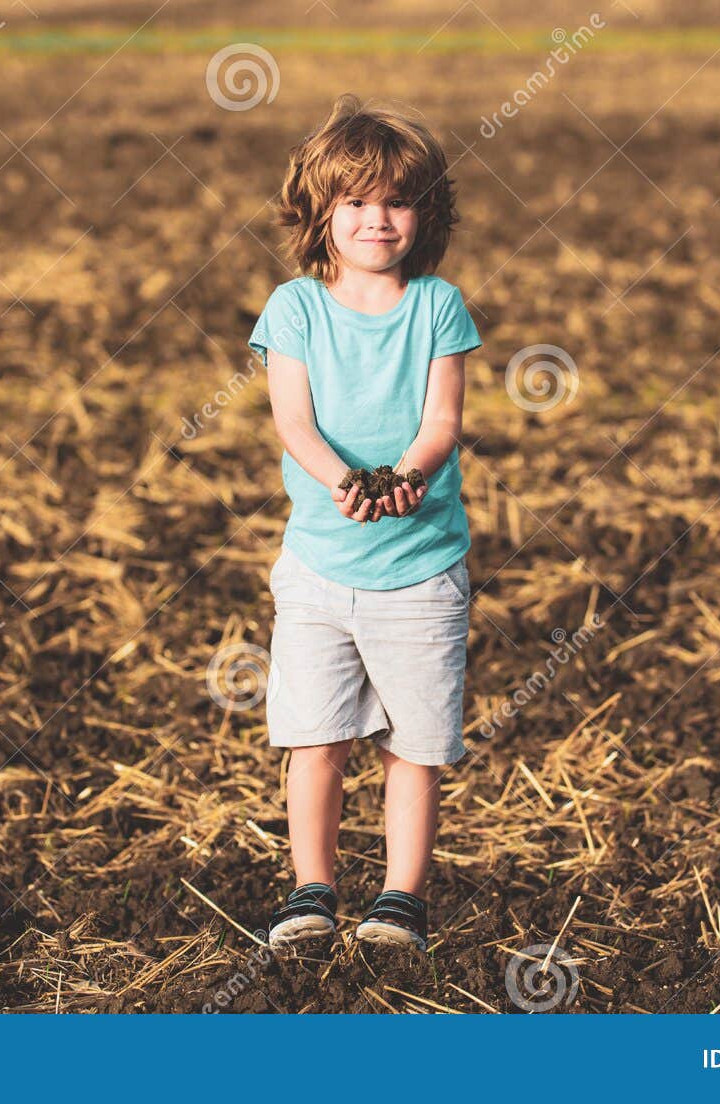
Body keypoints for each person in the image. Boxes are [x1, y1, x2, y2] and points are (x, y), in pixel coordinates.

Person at [246, 93, 483, 952]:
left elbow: (441, 423)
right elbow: (295, 425)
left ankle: (399, 902)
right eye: (354, 202)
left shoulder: (437, 307)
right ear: (320, 214)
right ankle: (311, 890)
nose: (376, 220)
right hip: (318, 571)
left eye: (395, 201)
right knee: (317, 739)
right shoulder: (295, 311)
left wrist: (410, 479)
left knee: (412, 748)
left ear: (425, 213)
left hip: (421, 571)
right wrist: (349, 481)